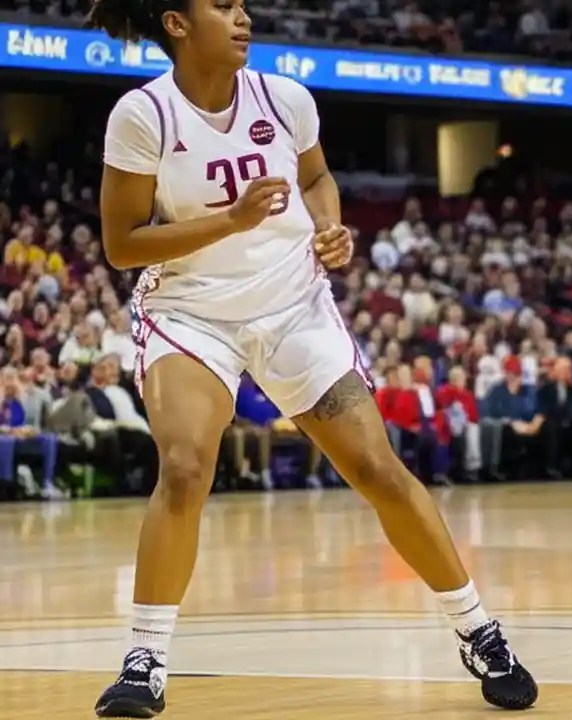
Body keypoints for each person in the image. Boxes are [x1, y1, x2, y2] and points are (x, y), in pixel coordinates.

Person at [84, 0, 537, 716]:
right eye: (223, 5)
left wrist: (330, 226)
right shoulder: (143, 116)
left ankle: (479, 629)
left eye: (243, 6)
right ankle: (146, 661)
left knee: (378, 469)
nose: (243, 17)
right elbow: (122, 245)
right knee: (184, 468)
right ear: (176, 23)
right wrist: (229, 222)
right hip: (191, 311)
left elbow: (318, 179)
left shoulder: (286, 97)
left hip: (293, 304)